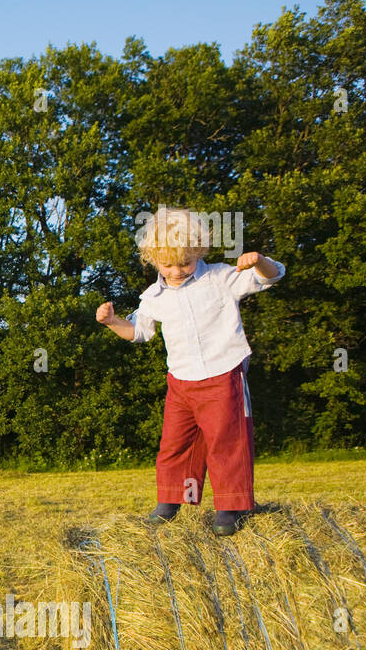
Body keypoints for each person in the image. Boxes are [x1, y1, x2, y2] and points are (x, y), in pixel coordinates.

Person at [96, 208, 285, 536]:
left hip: (223, 374)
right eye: (169, 264)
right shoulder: (153, 297)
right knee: (175, 443)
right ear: (154, 260)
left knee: (227, 441)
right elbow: (138, 332)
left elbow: (272, 276)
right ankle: (170, 501)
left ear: (199, 251)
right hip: (181, 381)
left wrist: (259, 261)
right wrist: (112, 322)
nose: (178, 270)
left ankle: (231, 507)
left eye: (185, 262)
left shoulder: (220, 278)